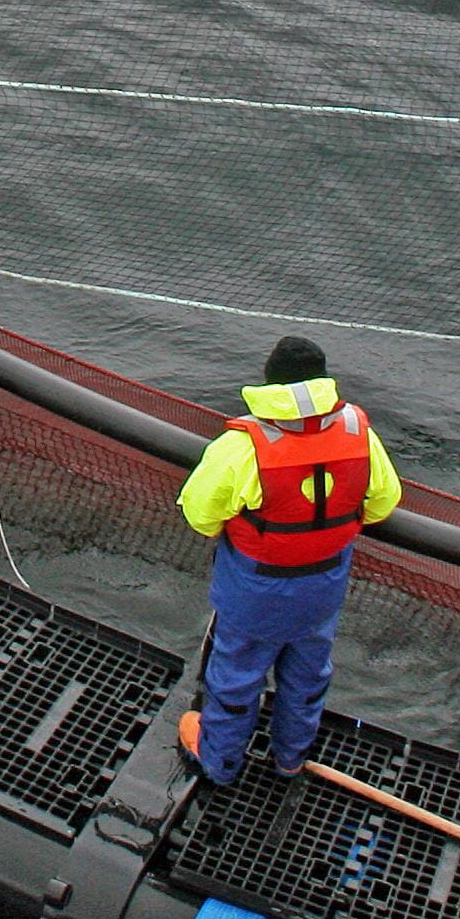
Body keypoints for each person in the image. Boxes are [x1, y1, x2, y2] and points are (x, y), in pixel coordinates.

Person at [175, 334, 400, 784]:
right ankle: (290, 758)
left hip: (255, 589)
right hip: (323, 586)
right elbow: (383, 503)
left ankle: (220, 762)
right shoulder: (360, 434)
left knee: (237, 674)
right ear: (323, 380)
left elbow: (201, 516)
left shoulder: (242, 445)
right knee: (308, 673)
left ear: (269, 382)